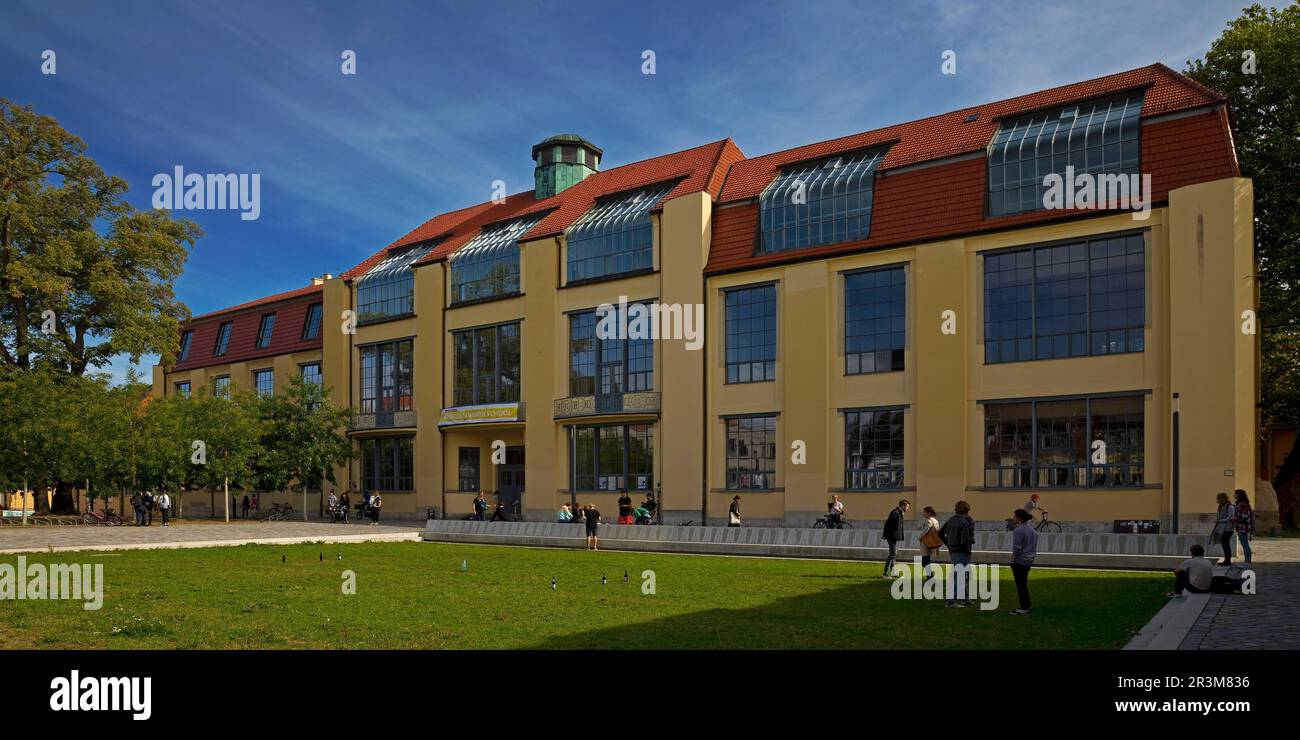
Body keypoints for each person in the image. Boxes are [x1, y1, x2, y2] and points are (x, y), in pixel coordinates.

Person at [939, 501, 976, 607]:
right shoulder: (964, 522)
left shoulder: (951, 520)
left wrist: (948, 544)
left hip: (953, 551)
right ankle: (950, 601)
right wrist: (966, 549)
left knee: (964, 575)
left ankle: (964, 598)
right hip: (962, 552)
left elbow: (940, 533)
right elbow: (964, 540)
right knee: (960, 576)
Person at [1168, 545, 1242, 597]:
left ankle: (1177, 593)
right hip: (1207, 588)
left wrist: (1186, 573)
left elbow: (1176, 571)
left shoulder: (1189, 561)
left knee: (1180, 572)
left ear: (1192, 553)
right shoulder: (1208, 561)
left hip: (1195, 589)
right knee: (1216, 578)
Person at [1009, 508, 1038, 615]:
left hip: (1020, 561)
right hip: (1029, 560)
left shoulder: (1018, 530)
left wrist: (1013, 559)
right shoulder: (1033, 531)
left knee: (1020, 585)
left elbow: (1017, 548)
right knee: (1023, 583)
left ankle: (1024, 607)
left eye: (1014, 516)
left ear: (1019, 518)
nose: (1013, 518)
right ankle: (1027, 604)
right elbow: (1034, 547)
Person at [882, 499, 909, 577]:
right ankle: (885, 573)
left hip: (895, 537)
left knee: (894, 554)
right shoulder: (895, 512)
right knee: (893, 554)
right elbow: (888, 524)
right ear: (903, 506)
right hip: (892, 537)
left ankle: (893, 572)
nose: (907, 508)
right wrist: (888, 534)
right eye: (907, 506)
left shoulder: (899, 513)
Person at [1211, 492, 1236, 565]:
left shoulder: (1229, 506)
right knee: (1224, 544)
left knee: (1226, 544)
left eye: (1218, 498)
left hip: (1228, 528)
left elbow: (1231, 517)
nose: (1217, 500)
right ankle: (1226, 560)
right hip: (1222, 528)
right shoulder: (1220, 506)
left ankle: (1228, 561)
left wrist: (1220, 521)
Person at [918, 505, 942, 581]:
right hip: (932, 542)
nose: (923, 514)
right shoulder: (935, 521)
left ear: (929, 513)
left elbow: (925, 531)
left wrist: (919, 538)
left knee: (925, 561)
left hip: (926, 543)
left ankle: (931, 578)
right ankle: (930, 577)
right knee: (925, 561)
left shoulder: (928, 521)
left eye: (924, 512)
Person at [1233, 489, 1254, 565]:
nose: (1234, 495)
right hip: (1242, 527)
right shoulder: (1242, 504)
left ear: (1239, 495)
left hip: (1243, 527)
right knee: (1245, 544)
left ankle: (1248, 563)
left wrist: (1234, 519)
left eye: (1235, 494)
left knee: (1245, 545)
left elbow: (1245, 516)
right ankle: (1247, 562)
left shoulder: (1242, 504)